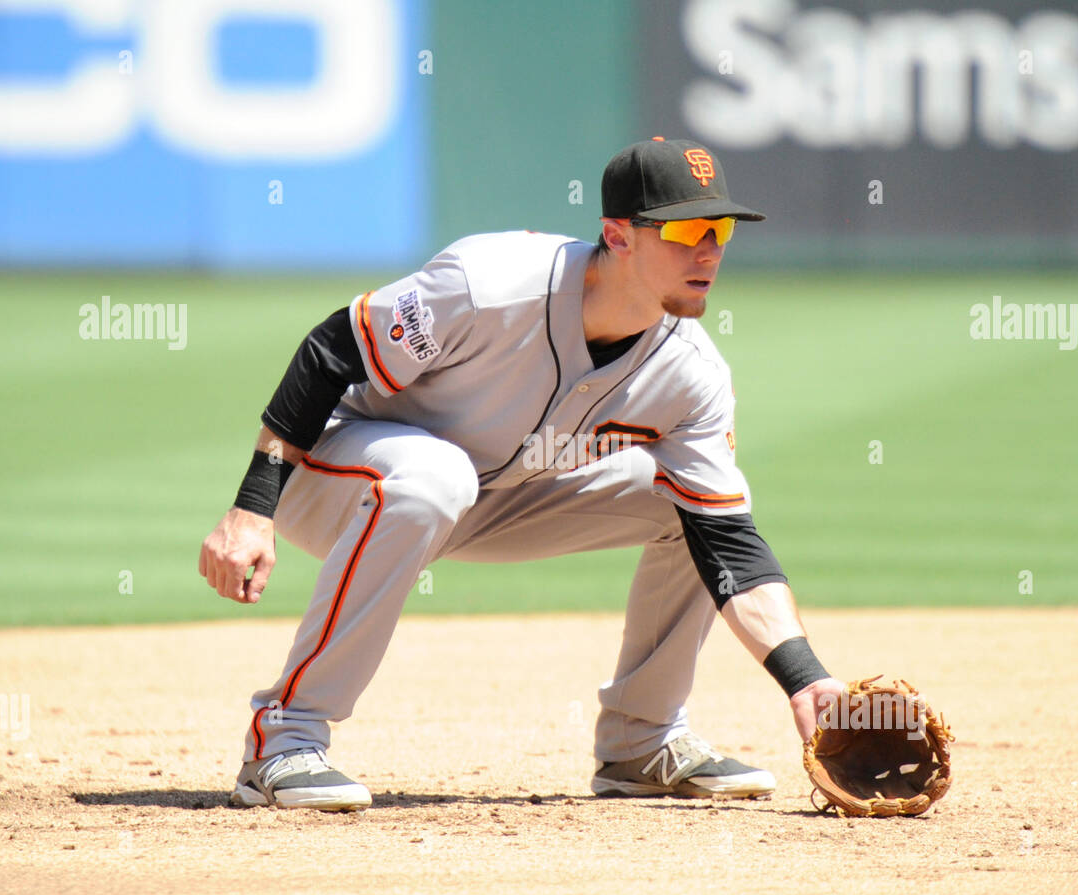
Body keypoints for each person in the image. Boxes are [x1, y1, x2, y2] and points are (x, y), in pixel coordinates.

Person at [199, 137, 846, 811]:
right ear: (617, 235)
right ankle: (285, 739)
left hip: (488, 492)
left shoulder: (693, 374)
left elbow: (728, 539)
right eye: (687, 229)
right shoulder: (490, 284)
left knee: (680, 499)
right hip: (337, 469)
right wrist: (252, 507)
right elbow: (332, 350)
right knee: (433, 475)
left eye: (722, 230)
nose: (709, 250)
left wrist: (804, 678)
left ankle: (640, 742)